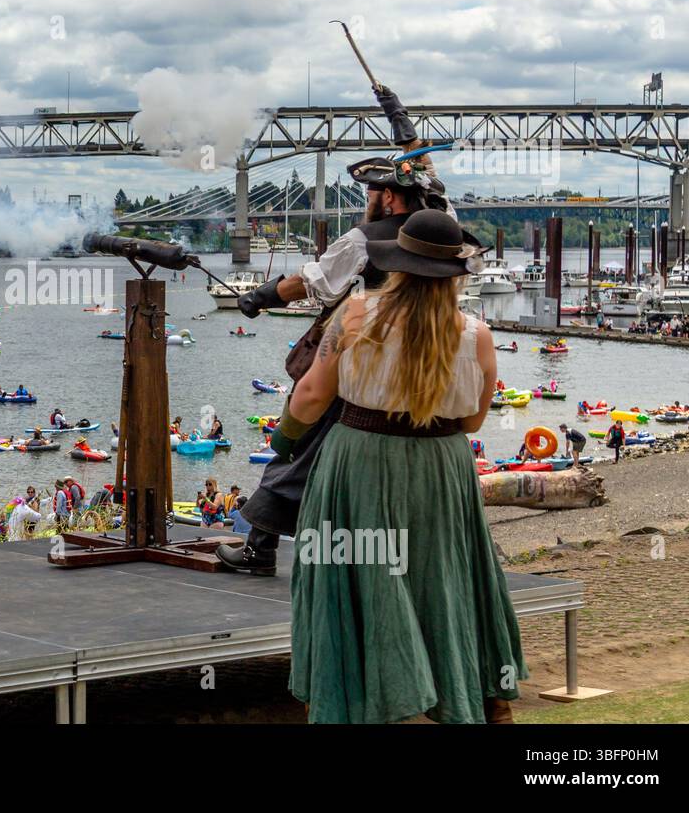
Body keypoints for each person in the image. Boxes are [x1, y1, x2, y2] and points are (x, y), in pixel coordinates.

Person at [251, 208, 524, 723]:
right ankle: (472, 698)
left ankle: (363, 699)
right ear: (456, 276)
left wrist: (285, 442)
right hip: (442, 472)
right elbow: (471, 422)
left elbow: (309, 396)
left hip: (360, 463)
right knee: (443, 582)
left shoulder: (354, 316)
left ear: (395, 263)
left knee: (354, 576)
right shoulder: (478, 336)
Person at [221, 124, 465, 574]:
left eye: (373, 193)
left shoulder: (361, 241)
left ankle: (260, 550)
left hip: (359, 363)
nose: (367, 201)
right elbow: (428, 170)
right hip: (425, 364)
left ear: (389, 197)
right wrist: (405, 128)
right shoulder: (443, 226)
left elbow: (309, 283)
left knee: (296, 453)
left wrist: (261, 296)